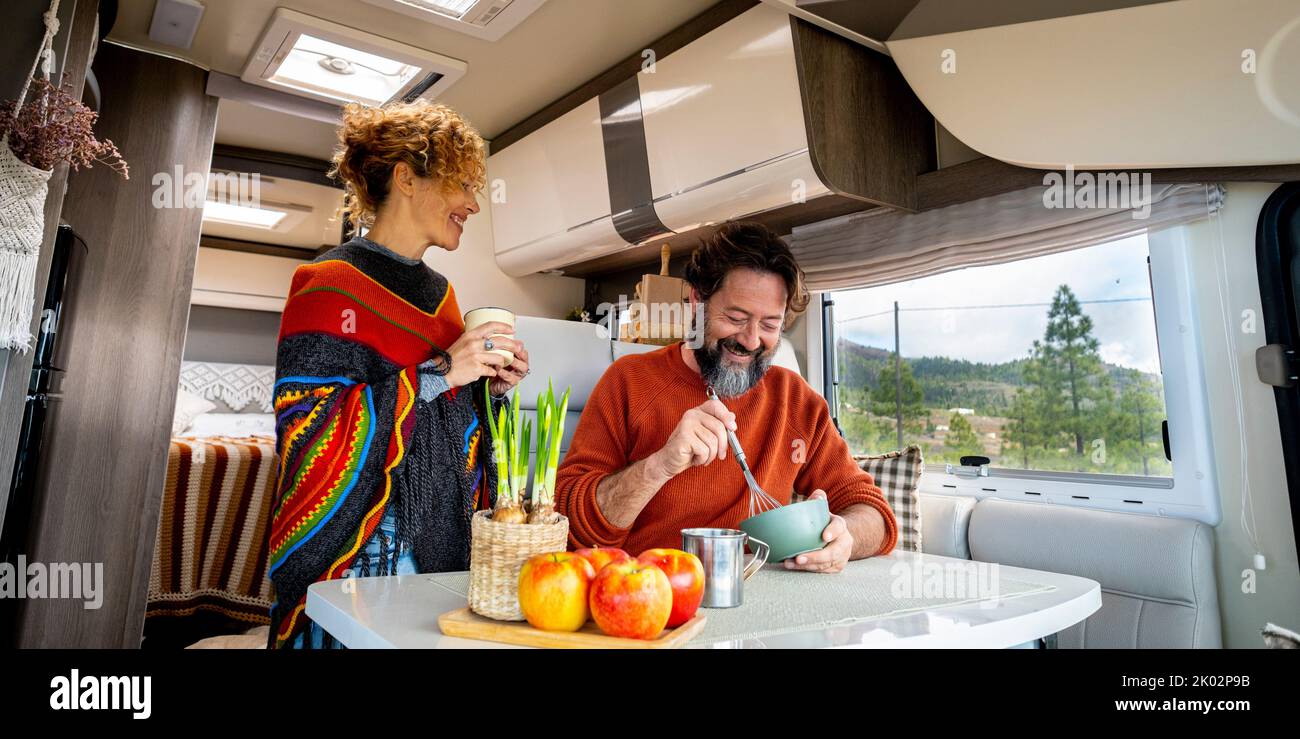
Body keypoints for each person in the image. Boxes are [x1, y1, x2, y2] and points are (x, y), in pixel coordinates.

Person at [267, 100, 529, 648]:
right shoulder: (327, 282)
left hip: (443, 541)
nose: (473, 205)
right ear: (407, 178)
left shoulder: (444, 298)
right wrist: (442, 371)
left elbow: (450, 422)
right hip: (366, 552)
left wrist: (490, 391)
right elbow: (309, 430)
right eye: (461, 184)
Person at [555, 221, 896, 573]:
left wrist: (846, 537)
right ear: (696, 301)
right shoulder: (628, 382)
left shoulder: (796, 400)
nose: (750, 340)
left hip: (760, 604)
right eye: (736, 318)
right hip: (651, 601)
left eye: (769, 325)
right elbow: (568, 526)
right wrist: (661, 465)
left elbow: (874, 514)